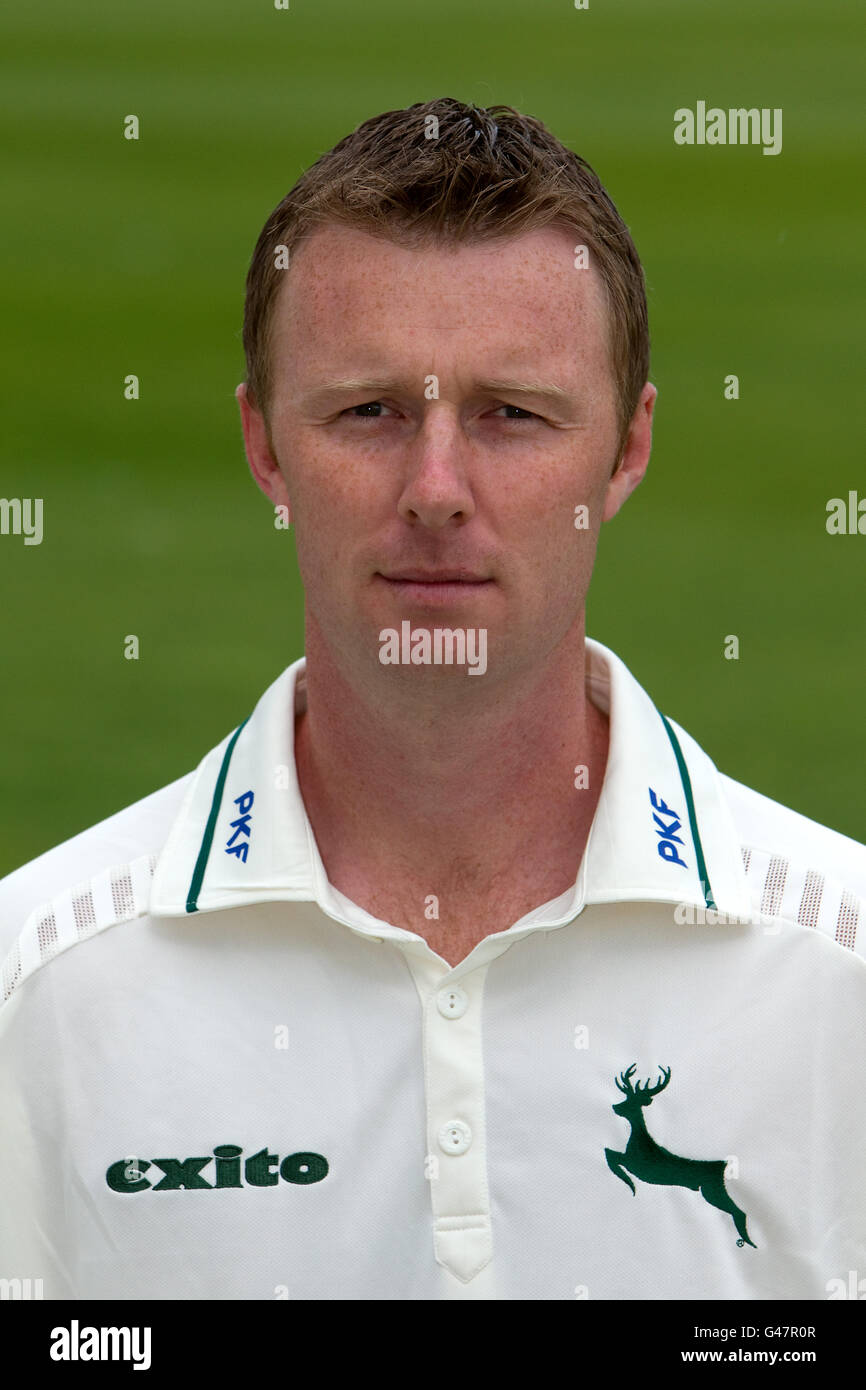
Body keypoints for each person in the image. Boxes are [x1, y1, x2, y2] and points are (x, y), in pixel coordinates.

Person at [0, 98, 863, 1302]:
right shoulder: (35, 989)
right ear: (265, 446)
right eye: (369, 411)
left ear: (625, 449)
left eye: (512, 413)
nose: (436, 488)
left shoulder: (838, 972)